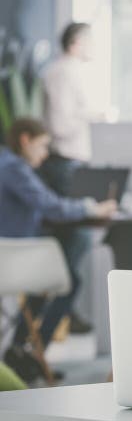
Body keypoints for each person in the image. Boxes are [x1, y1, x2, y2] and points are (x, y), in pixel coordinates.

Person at [0, 118, 116, 382]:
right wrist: (90, 208)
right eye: (42, 147)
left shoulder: (7, 164)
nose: (44, 155)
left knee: (51, 284)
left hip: (13, 255)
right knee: (70, 282)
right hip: (10, 260)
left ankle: (22, 350)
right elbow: (50, 205)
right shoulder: (14, 168)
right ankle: (26, 350)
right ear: (25, 140)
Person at [39, 22, 95, 334]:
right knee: (74, 246)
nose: (94, 48)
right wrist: (91, 116)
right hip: (64, 165)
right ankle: (45, 326)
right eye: (90, 41)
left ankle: (51, 322)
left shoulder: (67, 72)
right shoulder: (63, 73)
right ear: (75, 43)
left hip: (69, 165)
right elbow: (60, 126)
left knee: (75, 244)